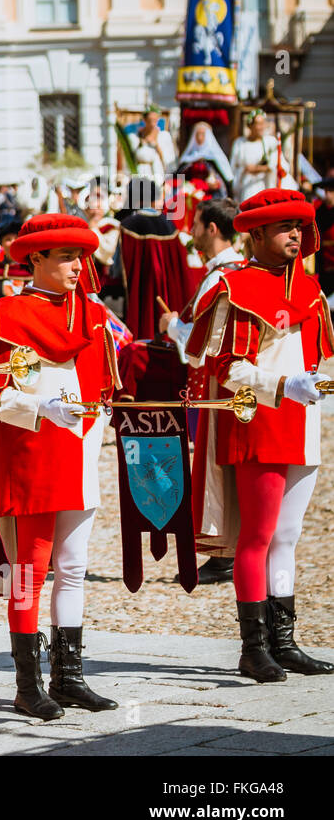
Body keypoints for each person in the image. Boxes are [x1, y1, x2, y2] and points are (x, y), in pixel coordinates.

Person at [0, 213, 119, 720]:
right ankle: (27, 686)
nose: (79, 266)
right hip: (32, 455)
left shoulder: (95, 316)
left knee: (74, 567)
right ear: (35, 259)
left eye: (81, 256)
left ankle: (69, 677)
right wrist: (39, 409)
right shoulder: (4, 314)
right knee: (29, 573)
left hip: (78, 452)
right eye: (66, 257)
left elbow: (103, 391)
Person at [186, 189, 334, 681]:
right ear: (257, 234)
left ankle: (284, 641)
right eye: (284, 227)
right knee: (257, 536)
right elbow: (226, 368)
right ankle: (253, 649)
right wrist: (280, 384)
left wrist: (308, 382)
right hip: (259, 420)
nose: (296, 234)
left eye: (299, 226)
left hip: (301, 420)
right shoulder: (235, 286)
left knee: (288, 536)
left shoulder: (309, 289)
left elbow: (313, 358)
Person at [154, 199, 246, 586]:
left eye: (195, 225)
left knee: (214, 468)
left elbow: (205, 342)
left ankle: (226, 552)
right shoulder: (236, 271)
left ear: (211, 228)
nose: (190, 232)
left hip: (215, 382)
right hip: (230, 384)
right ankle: (230, 548)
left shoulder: (219, 278)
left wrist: (173, 326)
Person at [112, 176, 195, 340]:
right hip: (168, 298)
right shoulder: (170, 226)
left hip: (139, 296)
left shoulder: (128, 225)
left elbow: (117, 270)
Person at [230, 110, 280, 201]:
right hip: (247, 186)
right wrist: (245, 170)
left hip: (265, 184)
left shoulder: (270, 142)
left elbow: (276, 165)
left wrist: (258, 168)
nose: (261, 127)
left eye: (262, 123)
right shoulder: (240, 143)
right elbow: (234, 166)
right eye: (258, 124)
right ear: (250, 126)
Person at [129, 106, 177, 183]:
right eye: (149, 120)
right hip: (140, 175)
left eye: (154, 120)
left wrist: (156, 145)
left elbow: (169, 161)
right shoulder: (135, 137)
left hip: (157, 175)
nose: (152, 123)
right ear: (144, 120)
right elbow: (131, 158)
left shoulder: (164, 136)